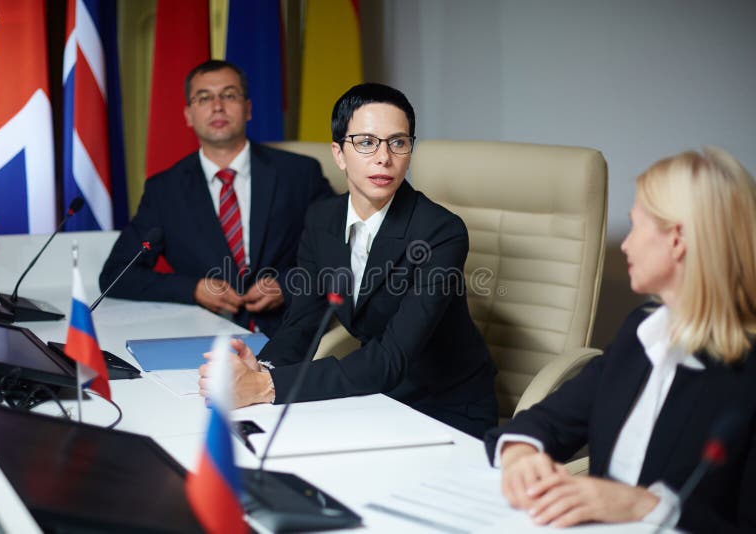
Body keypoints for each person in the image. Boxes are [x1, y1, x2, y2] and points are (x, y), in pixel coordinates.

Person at [200, 83, 498, 438]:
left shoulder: (440, 233)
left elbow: (391, 357)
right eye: (366, 142)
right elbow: (303, 322)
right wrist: (262, 366)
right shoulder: (321, 218)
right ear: (339, 154)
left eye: (398, 143)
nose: (384, 157)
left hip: (445, 408)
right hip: (376, 396)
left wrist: (266, 385)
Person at [485, 148, 756, 531]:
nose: (625, 245)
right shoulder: (640, 334)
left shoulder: (745, 378)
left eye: (635, 226)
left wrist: (648, 505)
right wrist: (521, 453)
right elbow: (547, 420)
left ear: (677, 239)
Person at [99, 60, 333, 336]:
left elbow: (339, 248)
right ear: (188, 114)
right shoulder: (165, 190)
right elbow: (117, 274)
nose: (217, 106)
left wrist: (289, 284)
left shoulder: (299, 173)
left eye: (229, 95)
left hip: (289, 333)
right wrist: (194, 289)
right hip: (205, 335)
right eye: (204, 98)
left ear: (248, 109)